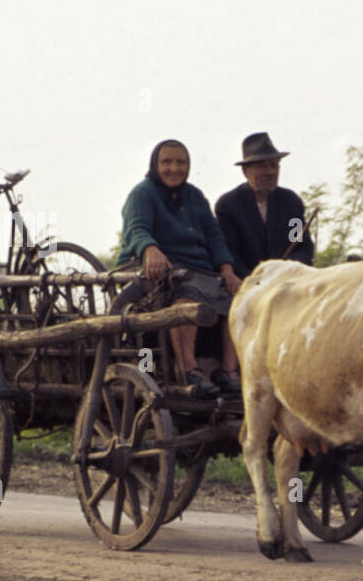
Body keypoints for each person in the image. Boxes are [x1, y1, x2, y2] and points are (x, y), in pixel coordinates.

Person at [120, 139, 240, 398]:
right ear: (155, 165)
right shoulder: (142, 193)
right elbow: (136, 229)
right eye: (167, 162)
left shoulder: (195, 197)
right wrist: (150, 249)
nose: (174, 168)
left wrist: (227, 269)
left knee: (236, 297)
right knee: (186, 292)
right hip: (152, 272)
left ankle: (229, 372)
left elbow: (214, 236)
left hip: (197, 271)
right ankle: (189, 369)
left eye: (180, 162)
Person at [214, 131, 315, 279]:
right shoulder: (228, 206)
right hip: (246, 285)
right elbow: (231, 255)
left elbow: (301, 246)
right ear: (245, 171)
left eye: (274, 165)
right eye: (261, 166)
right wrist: (257, 281)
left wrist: (284, 272)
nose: (270, 172)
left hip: (288, 283)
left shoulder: (291, 203)